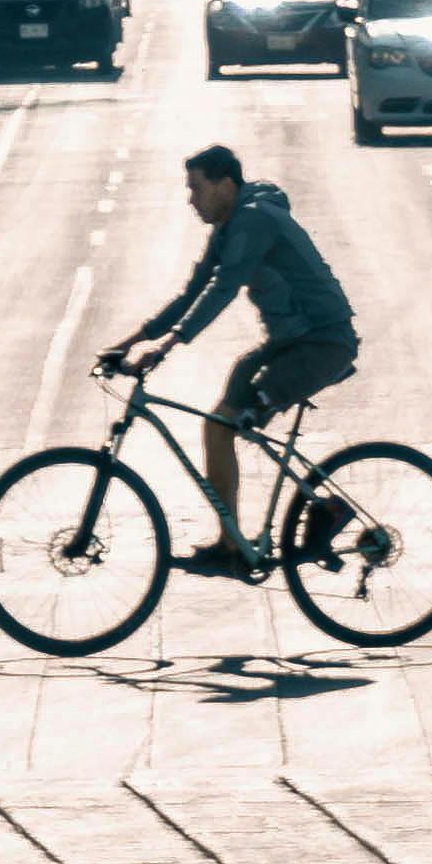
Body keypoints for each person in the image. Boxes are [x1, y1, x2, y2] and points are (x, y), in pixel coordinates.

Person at [97, 142, 360, 577]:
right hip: (288, 341)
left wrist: (165, 348)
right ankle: (229, 544)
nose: (191, 199)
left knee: (240, 421)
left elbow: (223, 289)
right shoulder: (228, 228)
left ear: (225, 185)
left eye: (196, 188)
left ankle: (326, 510)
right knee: (216, 427)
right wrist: (130, 342)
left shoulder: (255, 221)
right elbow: (191, 292)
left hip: (322, 342)